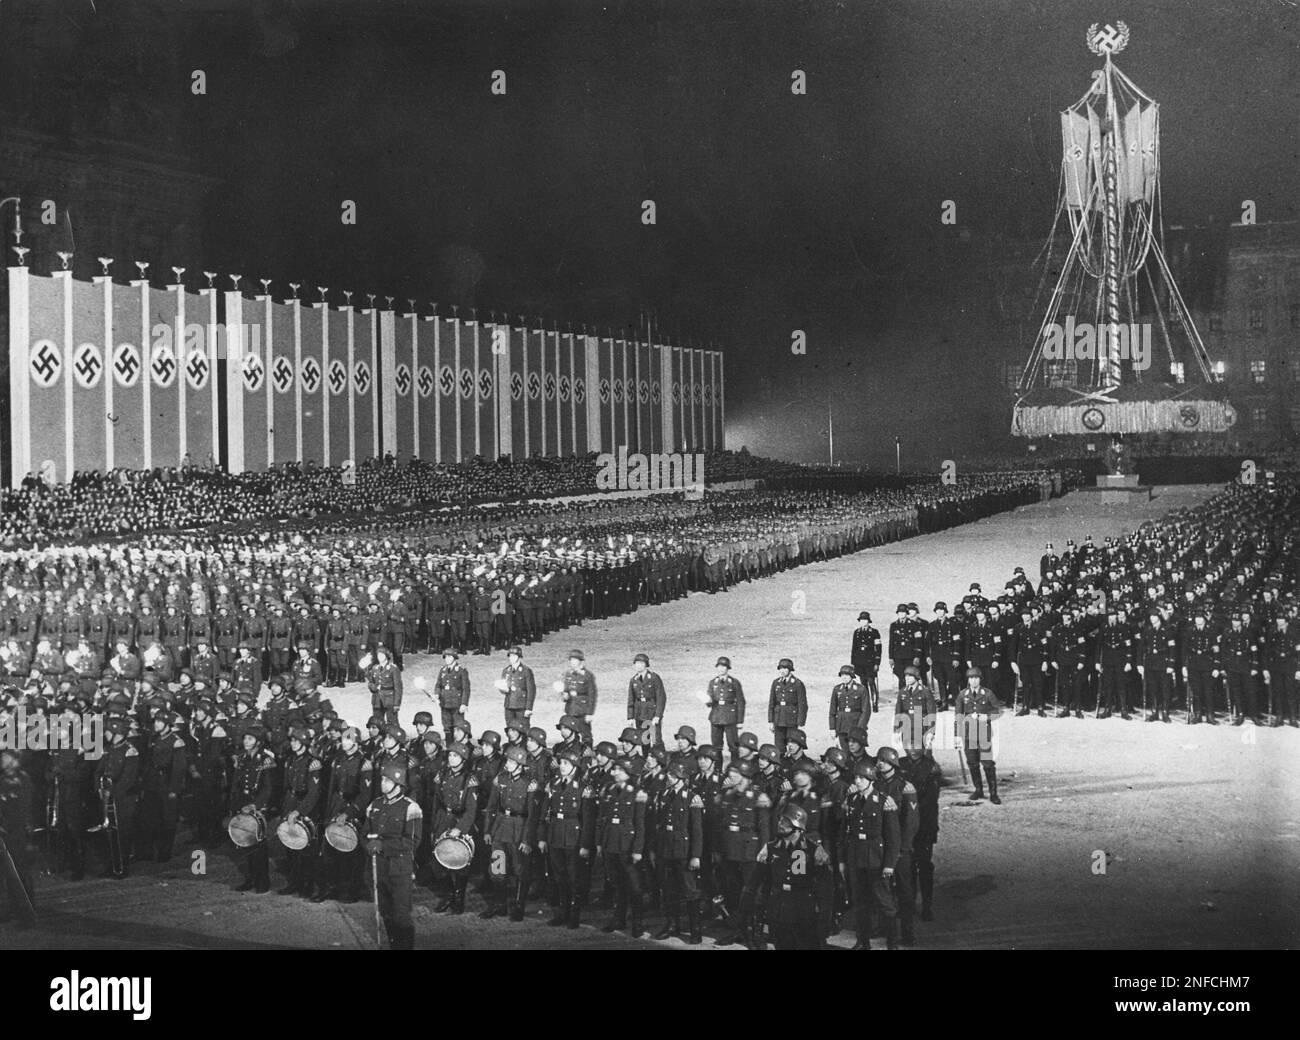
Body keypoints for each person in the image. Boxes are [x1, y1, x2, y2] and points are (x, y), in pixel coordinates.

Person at [745, 802, 828, 950]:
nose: (780, 824)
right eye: (780, 820)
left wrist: (824, 918)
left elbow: (826, 889)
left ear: (797, 826)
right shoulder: (770, 849)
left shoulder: (813, 850)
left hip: (804, 911)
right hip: (778, 910)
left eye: (785, 821)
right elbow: (755, 883)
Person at [841, 759, 900, 950]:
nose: (857, 781)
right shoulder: (851, 800)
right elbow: (847, 832)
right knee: (860, 902)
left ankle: (892, 944)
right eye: (856, 777)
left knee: (885, 903)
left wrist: (889, 864)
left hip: (876, 858)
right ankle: (863, 941)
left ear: (871, 780)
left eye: (862, 778)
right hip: (856, 857)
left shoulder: (883, 801)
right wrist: (843, 860)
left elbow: (893, 838)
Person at [364, 761, 423, 950]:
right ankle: (393, 945)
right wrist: (368, 845)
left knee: (401, 915)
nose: (383, 783)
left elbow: (412, 841)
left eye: (387, 780)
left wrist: (383, 846)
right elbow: (365, 833)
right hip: (377, 867)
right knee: (385, 911)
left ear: (399, 785)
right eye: (382, 779)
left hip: (399, 868)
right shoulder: (375, 804)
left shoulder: (411, 808)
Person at [539, 747, 595, 929]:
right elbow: (545, 814)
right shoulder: (553, 784)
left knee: (574, 878)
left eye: (566, 763)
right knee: (559, 877)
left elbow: (587, 820)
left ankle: (574, 914)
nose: (562, 766)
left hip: (574, 837)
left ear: (574, 767)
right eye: (561, 763)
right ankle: (562, 913)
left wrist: (585, 845)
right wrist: (543, 837)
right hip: (555, 836)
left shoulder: (584, 788)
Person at [481, 744, 539, 922]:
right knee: (498, 869)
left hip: (518, 830)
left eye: (511, 761)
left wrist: (527, 840)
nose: (507, 763)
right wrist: (488, 831)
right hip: (500, 829)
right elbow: (491, 807)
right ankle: (500, 905)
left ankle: (519, 906)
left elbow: (532, 816)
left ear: (520, 764)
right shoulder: (500, 780)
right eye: (507, 760)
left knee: (520, 869)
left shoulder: (530, 785)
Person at [653, 760, 704, 944]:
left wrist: (696, 855)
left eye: (673, 775)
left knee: (690, 891)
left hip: (684, 851)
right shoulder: (663, 795)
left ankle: (695, 930)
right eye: (669, 774)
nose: (668, 777)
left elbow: (697, 830)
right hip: (666, 849)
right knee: (669, 890)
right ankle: (672, 925)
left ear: (681, 777)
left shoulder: (691, 798)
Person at [278, 726, 323, 897]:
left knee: (306, 849)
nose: (293, 743)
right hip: (290, 803)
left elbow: (314, 792)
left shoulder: (313, 763)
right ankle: (294, 882)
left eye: (296, 740)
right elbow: (286, 786)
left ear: (304, 742)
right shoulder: (290, 760)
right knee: (290, 846)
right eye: (292, 740)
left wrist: (299, 811)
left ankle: (307, 885)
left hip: (305, 808)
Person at [954, 667, 1002, 803]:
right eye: (970, 678)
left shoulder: (987, 693)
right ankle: (978, 790)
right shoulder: (962, 694)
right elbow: (958, 715)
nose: (973, 680)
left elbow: (998, 711)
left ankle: (993, 793)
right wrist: (957, 735)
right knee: (972, 763)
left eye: (976, 678)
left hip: (983, 734)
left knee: (987, 763)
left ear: (980, 679)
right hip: (968, 734)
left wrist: (986, 717)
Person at [0, 748, 36, 926]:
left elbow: (23, 809)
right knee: (7, 875)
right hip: (5, 833)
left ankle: (26, 914)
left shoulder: (22, 780)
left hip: (17, 833)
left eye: (6, 759)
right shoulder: (3, 780)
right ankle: (12, 909)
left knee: (19, 874)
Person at [706, 656, 745, 760]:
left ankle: (735, 768)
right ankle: (718, 771)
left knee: (733, 746)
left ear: (728, 668)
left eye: (724, 667)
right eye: (719, 666)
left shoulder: (734, 682)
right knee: (716, 746)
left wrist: (740, 721)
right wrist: (708, 701)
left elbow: (741, 702)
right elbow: (709, 701)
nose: (721, 669)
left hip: (730, 718)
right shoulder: (713, 682)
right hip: (716, 717)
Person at [626, 653, 666, 749]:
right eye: (636, 663)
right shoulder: (633, 680)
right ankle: (645, 760)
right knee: (644, 740)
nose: (638, 665)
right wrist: (630, 717)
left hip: (651, 713)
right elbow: (631, 699)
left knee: (656, 739)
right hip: (639, 714)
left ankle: (661, 760)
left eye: (641, 663)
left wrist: (657, 715)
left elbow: (661, 698)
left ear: (646, 664)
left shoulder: (653, 678)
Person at [768, 658, 807, 749]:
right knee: (779, 746)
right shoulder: (776, 683)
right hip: (778, 720)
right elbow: (771, 703)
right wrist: (771, 721)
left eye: (785, 668)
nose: (782, 670)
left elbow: (802, 705)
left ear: (790, 669)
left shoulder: (797, 684)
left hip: (791, 720)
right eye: (780, 668)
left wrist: (801, 723)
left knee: (791, 746)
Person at [829, 664, 869, 752]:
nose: (844, 677)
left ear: (852, 676)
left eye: (846, 675)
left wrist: (860, 728)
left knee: (857, 751)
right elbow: (832, 711)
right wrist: (832, 728)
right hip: (841, 725)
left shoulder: (860, 689)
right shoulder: (837, 689)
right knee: (844, 750)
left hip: (855, 724)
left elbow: (865, 711)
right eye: (842, 675)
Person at [498, 646, 536, 730]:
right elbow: (502, 687)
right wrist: (502, 689)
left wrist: (529, 708)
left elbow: (531, 691)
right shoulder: (506, 670)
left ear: (519, 657)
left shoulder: (526, 671)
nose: (511, 658)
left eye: (514, 656)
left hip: (521, 706)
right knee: (510, 729)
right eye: (510, 656)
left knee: (523, 728)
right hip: (509, 705)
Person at [367, 645, 404, 728]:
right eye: (378, 655)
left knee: (392, 722)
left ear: (386, 656)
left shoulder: (393, 668)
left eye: (382, 655)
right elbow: (370, 682)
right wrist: (374, 687)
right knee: (377, 722)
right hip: (377, 700)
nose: (380, 657)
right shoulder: (374, 668)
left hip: (389, 699)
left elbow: (398, 688)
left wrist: (397, 703)